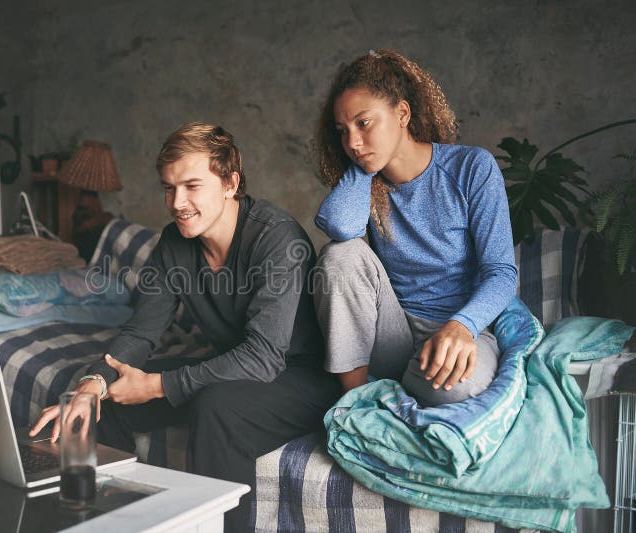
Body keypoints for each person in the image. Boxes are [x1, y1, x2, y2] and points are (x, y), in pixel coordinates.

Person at [31, 122, 341, 532]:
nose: (177, 202)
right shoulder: (174, 244)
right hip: (232, 367)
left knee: (218, 406)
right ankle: (113, 523)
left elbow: (264, 358)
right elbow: (141, 333)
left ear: (230, 182)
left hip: (300, 378)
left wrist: (158, 385)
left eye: (192, 186)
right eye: (168, 188)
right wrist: (95, 383)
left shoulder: (277, 239)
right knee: (101, 400)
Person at [313, 49, 517, 406]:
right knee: (339, 255)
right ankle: (358, 402)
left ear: (402, 113)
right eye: (342, 131)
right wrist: (365, 167)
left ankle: (403, 390)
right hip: (390, 333)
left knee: (455, 388)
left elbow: (501, 273)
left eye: (364, 123)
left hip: (455, 328)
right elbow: (339, 226)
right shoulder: (367, 182)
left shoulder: (471, 168)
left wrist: (463, 325)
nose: (352, 143)